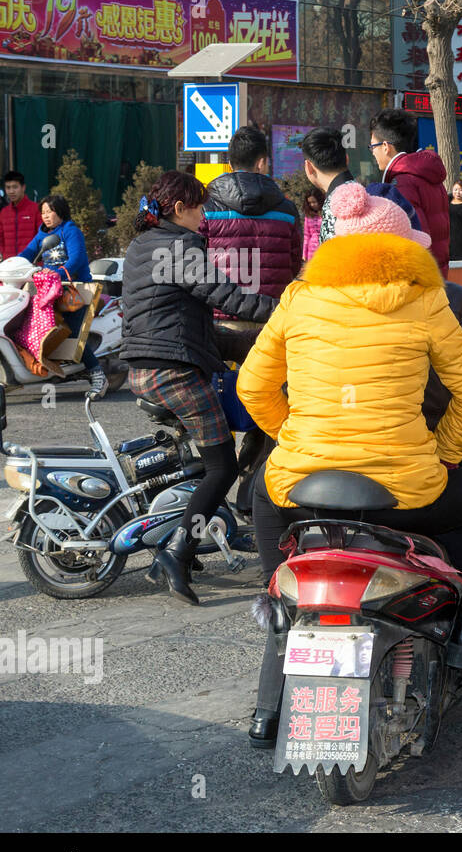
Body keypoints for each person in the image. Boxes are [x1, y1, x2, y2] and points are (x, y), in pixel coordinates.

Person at [238, 184, 462, 745]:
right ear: (403, 251)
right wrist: (442, 455)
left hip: (303, 487)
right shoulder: (426, 300)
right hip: (407, 495)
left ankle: (271, 667)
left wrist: (295, 437)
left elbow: (253, 385)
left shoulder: (299, 298)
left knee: (262, 493)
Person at [121, 171, 277, 603]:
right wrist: (290, 307)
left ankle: (176, 544)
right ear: (178, 210)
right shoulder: (178, 246)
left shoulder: (142, 245)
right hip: (173, 372)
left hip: (147, 366)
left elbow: (183, 317)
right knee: (222, 467)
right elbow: (228, 297)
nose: (204, 216)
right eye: (200, 207)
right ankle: (178, 550)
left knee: (209, 459)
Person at [199, 126, 302, 299]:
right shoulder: (287, 211)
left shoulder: (206, 208)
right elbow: (294, 264)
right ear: (261, 163)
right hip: (273, 315)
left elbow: (197, 264)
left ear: (230, 164)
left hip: (222, 313)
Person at [19, 194, 105, 397]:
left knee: (73, 336)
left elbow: (75, 260)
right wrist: (12, 265)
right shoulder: (42, 235)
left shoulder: (71, 231)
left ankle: (99, 376)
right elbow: (27, 254)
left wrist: (55, 273)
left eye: (50, 211)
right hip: (50, 291)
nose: (46, 216)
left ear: (60, 211)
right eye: (43, 212)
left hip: (75, 290)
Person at [370, 108, 451, 276]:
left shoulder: (403, 182)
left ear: (385, 146)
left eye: (373, 146)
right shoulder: (427, 175)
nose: (373, 152)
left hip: (418, 282)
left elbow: (416, 239)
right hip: (436, 276)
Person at [1, 170, 40, 258]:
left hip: (31, 264)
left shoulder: (36, 209)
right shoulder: (3, 213)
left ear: (23, 187)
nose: (11, 191)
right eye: (8, 187)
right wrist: (4, 255)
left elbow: (42, 237)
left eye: (15, 187)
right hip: (9, 265)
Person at [301, 189, 323, 263]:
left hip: (324, 248)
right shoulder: (308, 216)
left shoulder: (326, 213)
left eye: (314, 202)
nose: (312, 205)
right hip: (311, 253)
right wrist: (304, 254)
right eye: (310, 203)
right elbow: (307, 236)